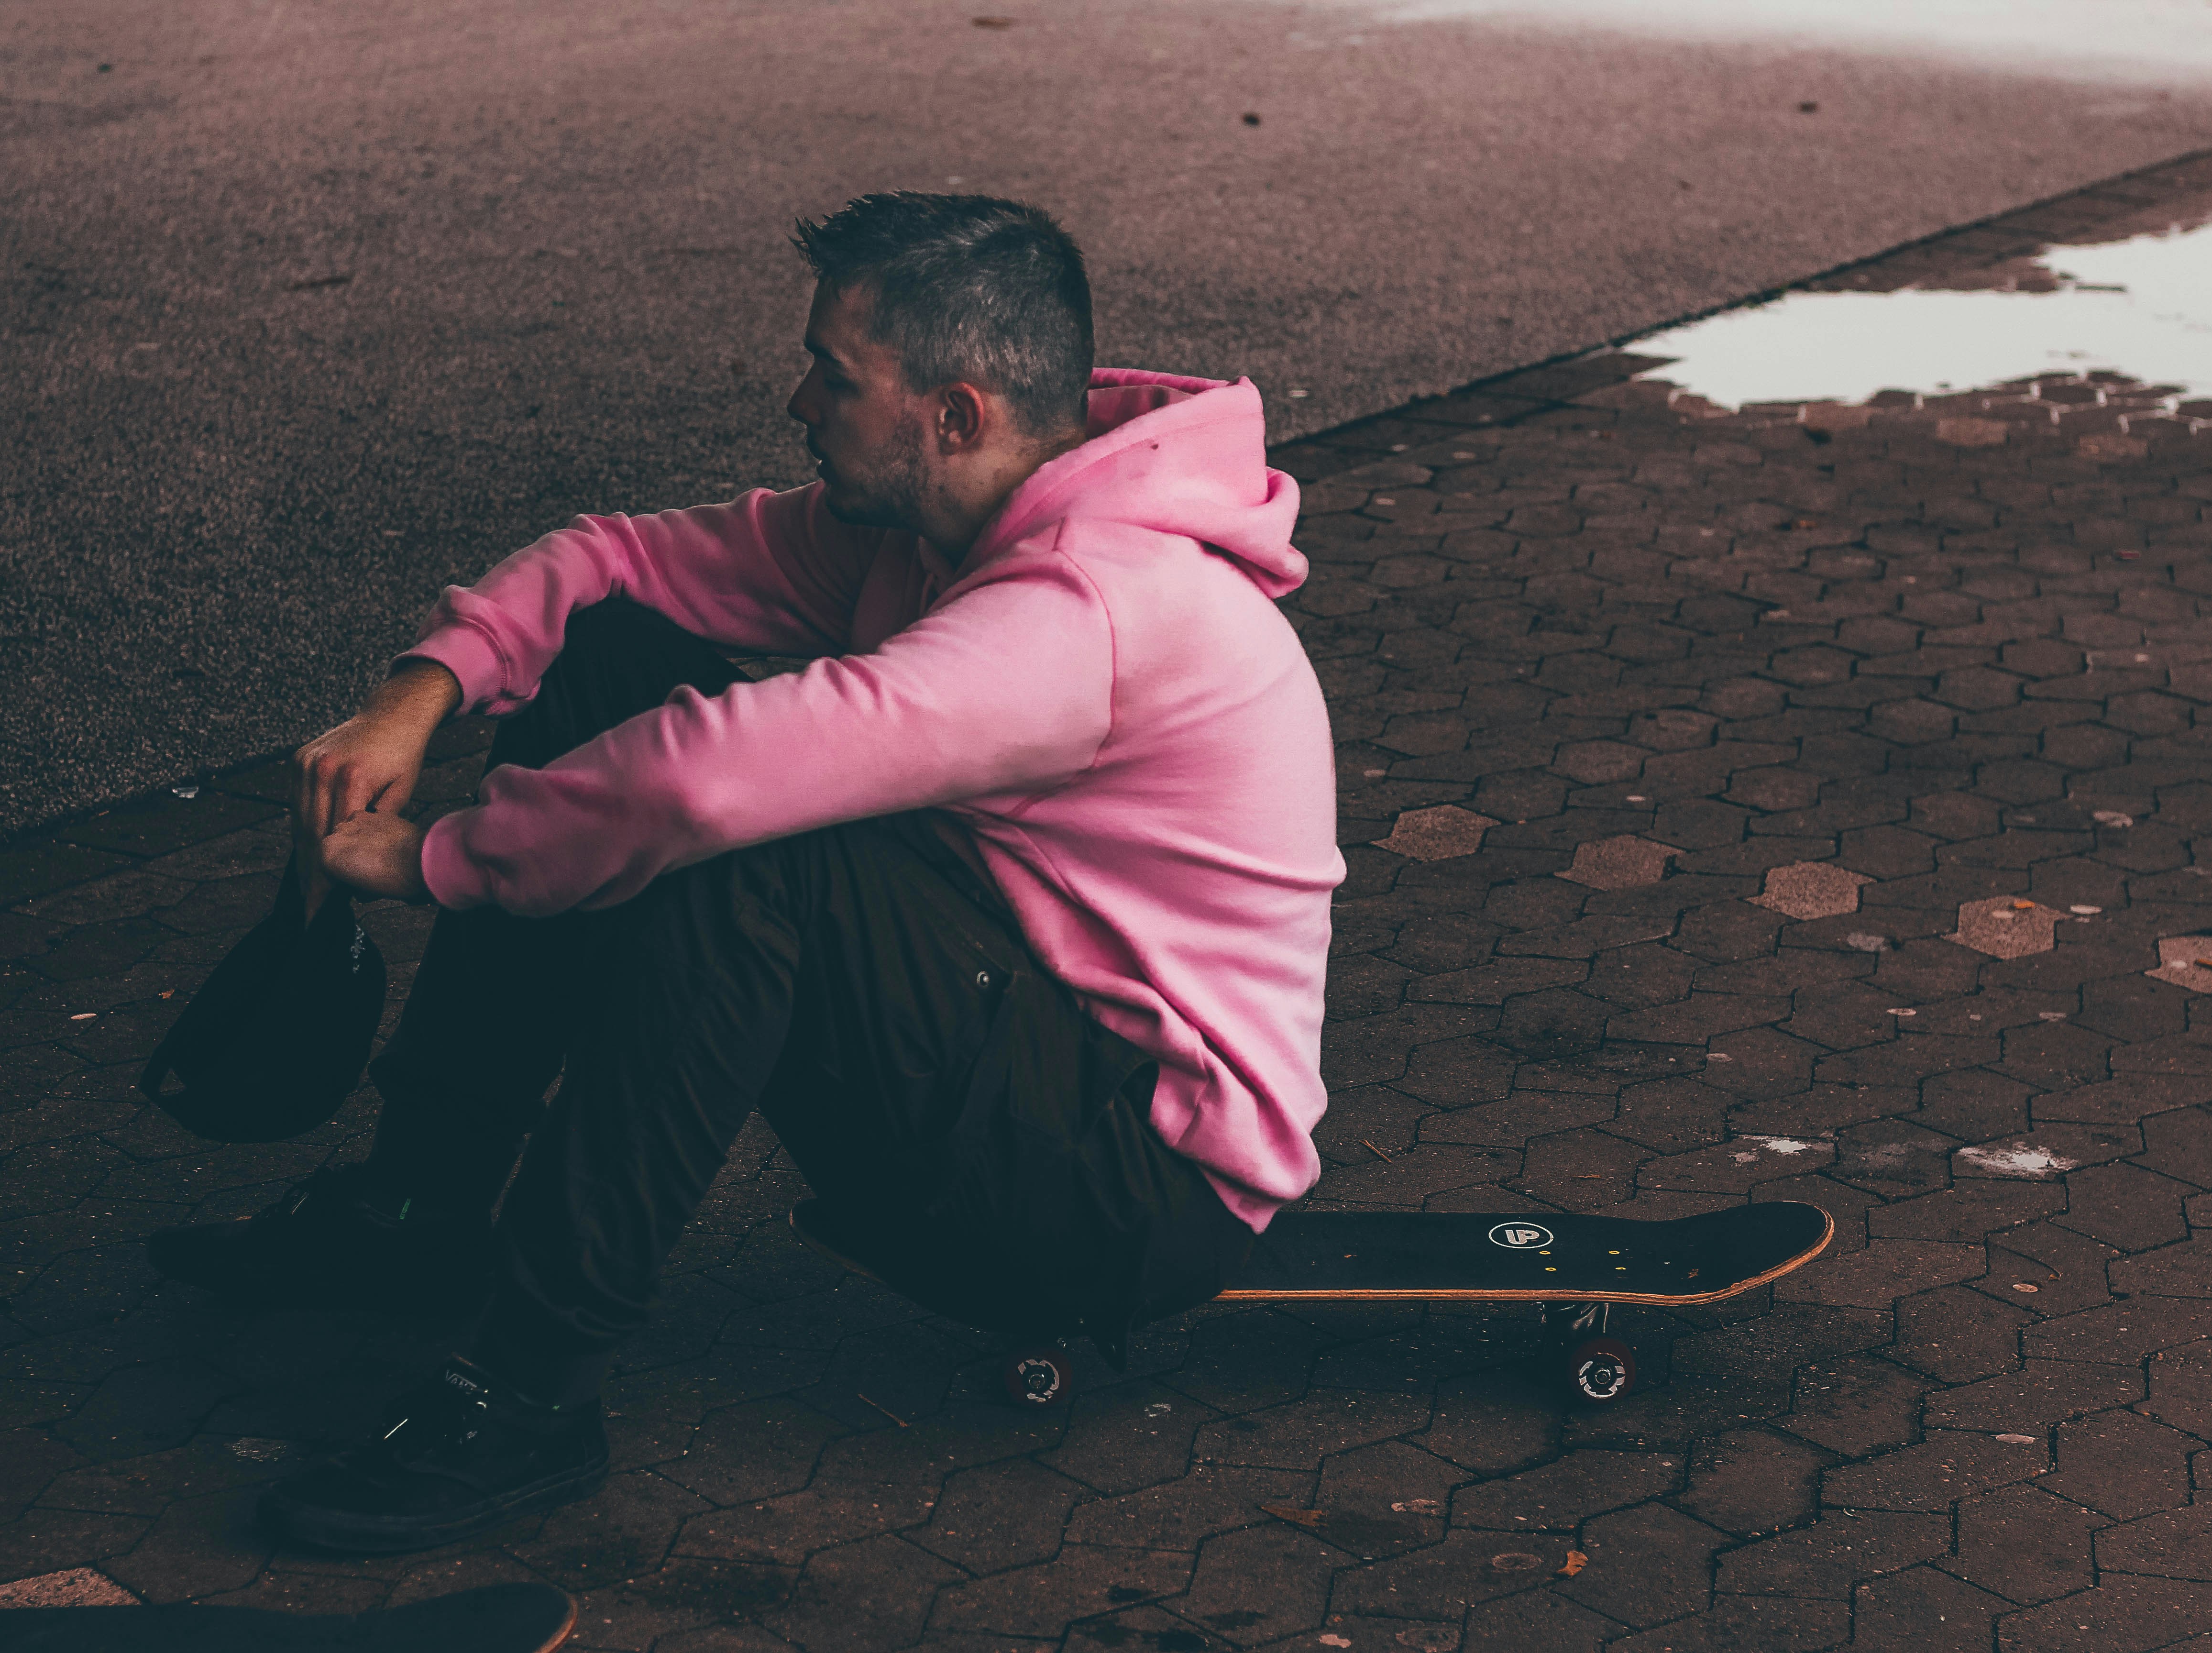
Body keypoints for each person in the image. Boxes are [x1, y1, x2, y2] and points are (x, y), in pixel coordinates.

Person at [144, 192, 1342, 1554]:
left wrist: (435, 860)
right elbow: (613, 563)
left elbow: (698, 785)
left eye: (836, 376)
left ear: (954, 417)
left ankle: (530, 1390)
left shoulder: (1088, 612)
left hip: (1122, 1189)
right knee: (616, 656)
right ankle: (419, 1203)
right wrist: (421, 692)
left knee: (756, 854)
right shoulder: (932, 524)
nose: (797, 399)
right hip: (1023, 1051)